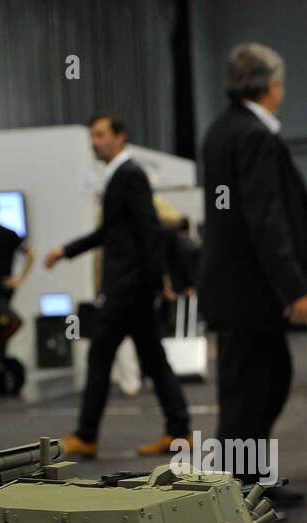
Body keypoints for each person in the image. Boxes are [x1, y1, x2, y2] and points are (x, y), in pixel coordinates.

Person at [198, 43, 307, 504]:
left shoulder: (222, 130)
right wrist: (293, 286)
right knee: (252, 391)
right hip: (249, 291)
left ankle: (249, 485)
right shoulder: (254, 134)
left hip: (236, 289)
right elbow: (264, 217)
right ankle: (238, 493)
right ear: (271, 86)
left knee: (258, 385)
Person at [43, 114, 191, 458]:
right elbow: (110, 232)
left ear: (119, 137)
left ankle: (86, 436)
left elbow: (150, 228)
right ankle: (180, 430)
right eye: (92, 136)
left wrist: (156, 281)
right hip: (133, 285)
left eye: (100, 135)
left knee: (100, 354)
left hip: (129, 286)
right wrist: (65, 251)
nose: (94, 142)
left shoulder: (130, 175)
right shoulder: (118, 177)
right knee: (153, 359)